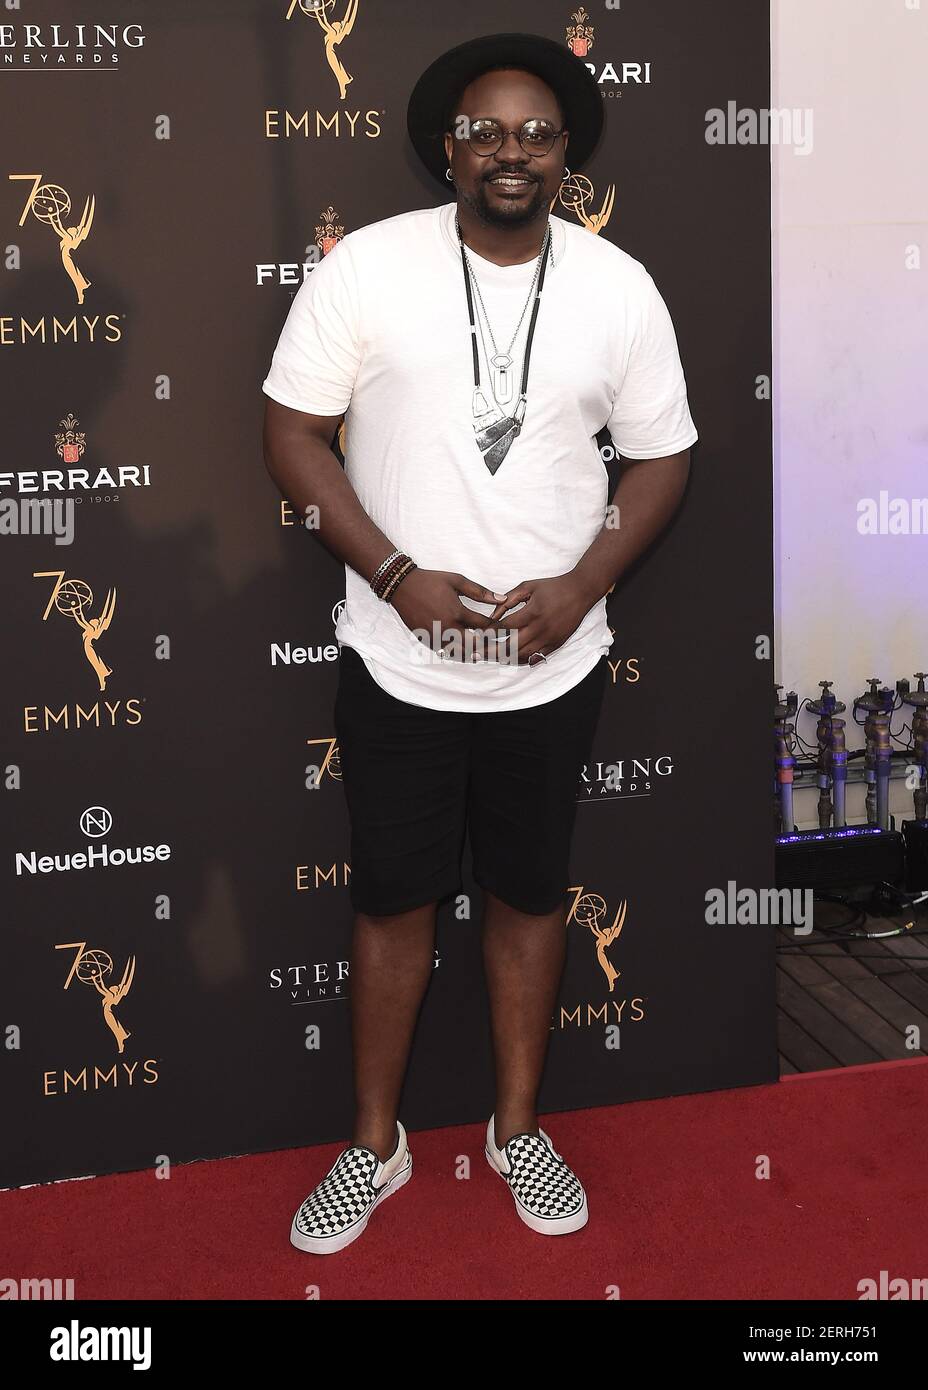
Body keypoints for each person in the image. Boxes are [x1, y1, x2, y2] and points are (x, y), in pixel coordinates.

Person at [262, 31, 698, 1255]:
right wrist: (394, 574)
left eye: (536, 133)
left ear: (567, 154)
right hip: (397, 660)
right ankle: (374, 1147)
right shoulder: (367, 270)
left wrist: (584, 581)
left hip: (551, 668)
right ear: (445, 147)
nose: (511, 152)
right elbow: (292, 433)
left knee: (527, 895)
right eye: (485, 132)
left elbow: (664, 455)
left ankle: (517, 1129)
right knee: (393, 900)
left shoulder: (618, 286)